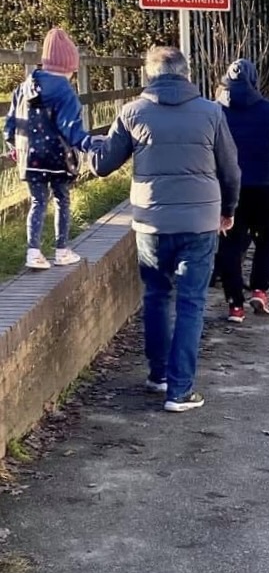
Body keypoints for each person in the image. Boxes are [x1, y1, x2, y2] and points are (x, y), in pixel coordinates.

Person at [88, 46, 241, 413]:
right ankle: (180, 390)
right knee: (191, 303)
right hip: (201, 222)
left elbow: (103, 166)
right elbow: (231, 170)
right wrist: (229, 210)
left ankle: (158, 376)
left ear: (148, 75)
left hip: (151, 222)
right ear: (187, 74)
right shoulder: (212, 112)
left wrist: (91, 145)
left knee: (157, 296)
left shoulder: (131, 112)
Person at [3, 27, 94, 270]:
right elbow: (69, 127)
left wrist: (13, 146)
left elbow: (10, 123)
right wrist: (89, 143)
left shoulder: (24, 86)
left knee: (37, 202)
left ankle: (33, 252)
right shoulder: (65, 90)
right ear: (70, 66)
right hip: (58, 158)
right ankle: (61, 249)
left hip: (29, 158)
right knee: (62, 200)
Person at [214, 58, 269, 323]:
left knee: (229, 246)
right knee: (266, 240)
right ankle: (260, 290)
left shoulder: (216, 112)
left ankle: (235, 305)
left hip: (228, 189)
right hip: (264, 187)